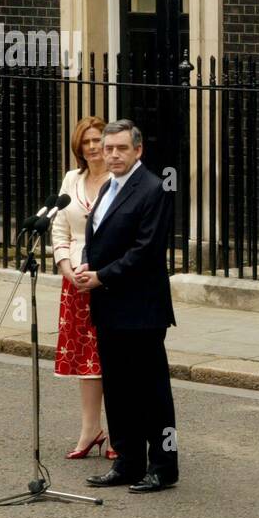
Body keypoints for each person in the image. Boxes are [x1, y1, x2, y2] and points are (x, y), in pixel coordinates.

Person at [76, 119, 179, 493]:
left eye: (121, 148)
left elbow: (146, 251)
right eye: (109, 148)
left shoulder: (153, 188)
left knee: (151, 391)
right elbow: (97, 237)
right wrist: (88, 263)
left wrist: (102, 275)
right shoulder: (107, 187)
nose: (113, 155)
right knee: (118, 389)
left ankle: (164, 466)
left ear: (138, 151)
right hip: (109, 306)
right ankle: (128, 462)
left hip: (141, 309)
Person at [51, 116, 118, 460]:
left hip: (109, 280)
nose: (93, 147)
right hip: (76, 282)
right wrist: (66, 268)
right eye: (86, 142)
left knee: (114, 359)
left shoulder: (120, 182)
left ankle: (120, 434)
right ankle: (91, 429)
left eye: (98, 141)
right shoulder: (71, 180)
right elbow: (60, 231)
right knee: (88, 363)